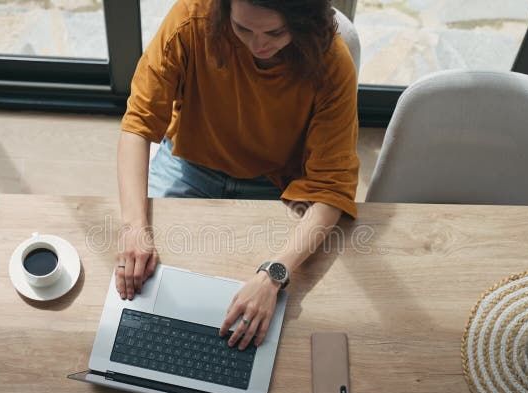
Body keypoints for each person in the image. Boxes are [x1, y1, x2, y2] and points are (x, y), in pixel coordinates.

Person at [115, 0, 359, 351]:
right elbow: (138, 124)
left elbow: (330, 189)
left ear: (304, 22)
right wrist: (134, 228)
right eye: (243, 29)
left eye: (274, 33)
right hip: (188, 162)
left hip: (274, 181)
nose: (257, 45)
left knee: (272, 316)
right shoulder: (191, 19)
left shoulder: (332, 63)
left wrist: (273, 276)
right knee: (145, 281)